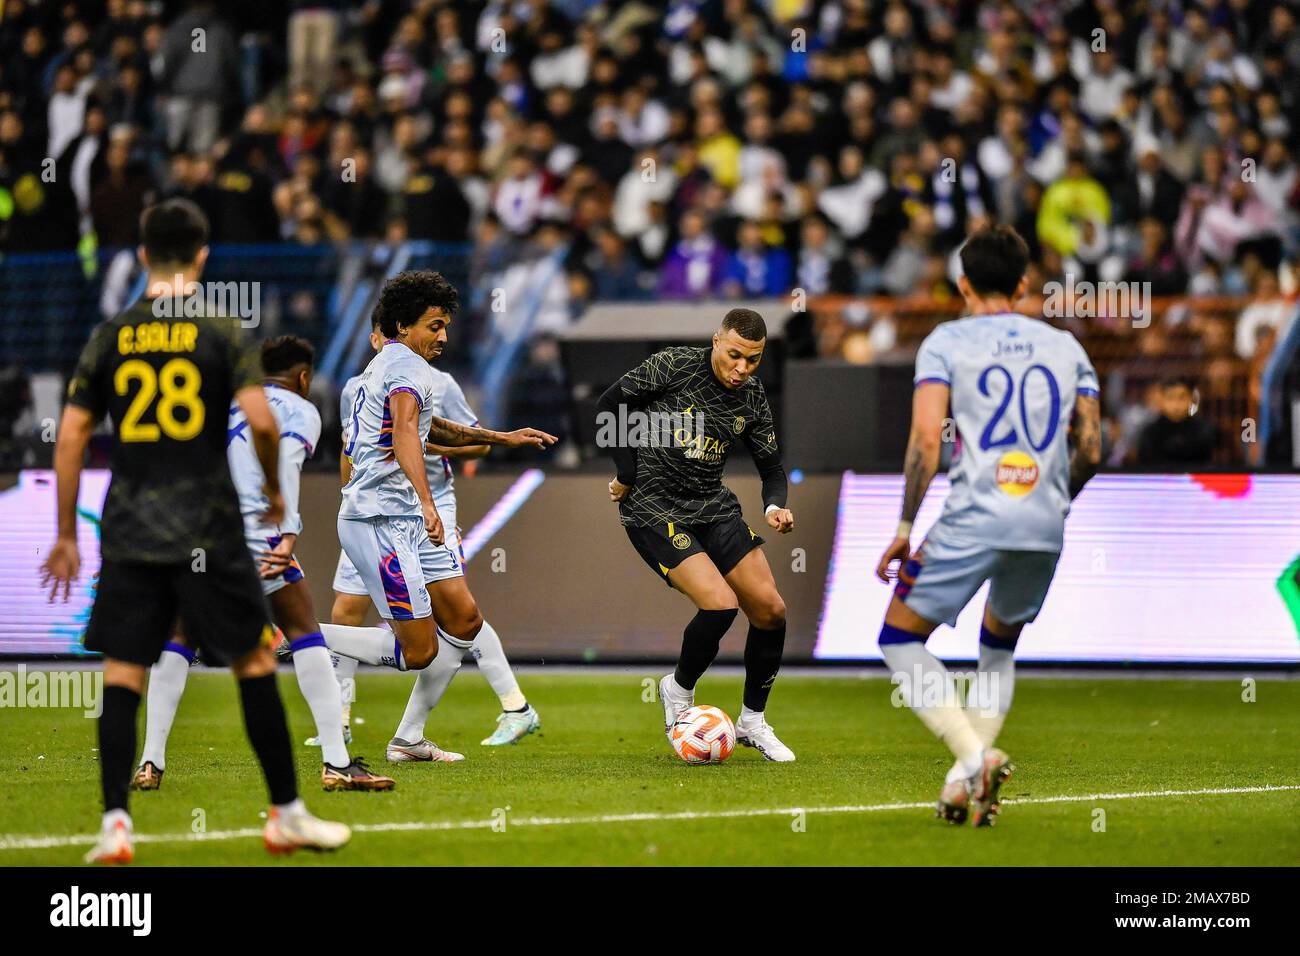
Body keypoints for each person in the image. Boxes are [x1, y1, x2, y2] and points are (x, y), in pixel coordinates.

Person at [39, 198, 350, 863]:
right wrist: (270, 490)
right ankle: (286, 814)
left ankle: (115, 825)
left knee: (124, 671)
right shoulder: (221, 332)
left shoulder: (111, 335)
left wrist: (66, 532)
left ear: (143, 256)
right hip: (208, 526)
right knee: (256, 659)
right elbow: (264, 423)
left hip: (130, 528)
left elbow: (69, 439)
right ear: (202, 255)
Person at [874, 224, 1101, 827]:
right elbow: (1094, 447)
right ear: (1025, 284)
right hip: (1045, 522)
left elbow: (927, 439)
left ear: (963, 283)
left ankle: (973, 758)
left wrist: (903, 524)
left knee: (898, 640)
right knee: (997, 649)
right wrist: (1058, 500)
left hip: (973, 515)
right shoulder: (1068, 348)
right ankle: (962, 781)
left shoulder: (946, 342)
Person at [131, 336, 395, 792]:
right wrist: (289, 529)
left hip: (201, 537)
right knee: (306, 636)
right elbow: (286, 465)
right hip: (259, 538)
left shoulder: (227, 404)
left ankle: (150, 763)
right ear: (304, 377)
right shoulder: (299, 410)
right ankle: (337, 763)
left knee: (180, 637)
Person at [316, 272, 555, 762]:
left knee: (464, 619)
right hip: (384, 518)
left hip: (400, 516)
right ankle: (290, 633)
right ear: (403, 325)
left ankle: (408, 739)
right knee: (417, 651)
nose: (443, 336)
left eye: (445, 325)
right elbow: (406, 431)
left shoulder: (393, 364)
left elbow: (424, 426)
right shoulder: (409, 369)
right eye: (434, 325)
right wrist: (427, 501)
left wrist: (497, 437)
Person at [595, 308, 797, 761]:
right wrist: (626, 475)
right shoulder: (674, 366)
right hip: (652, 506)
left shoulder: (752, 397)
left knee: (771, 610)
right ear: (715, 341)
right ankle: (679, 690)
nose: (742, 369)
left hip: (711, 504)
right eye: (734, 356)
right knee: (721, 605)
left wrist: (774, 505)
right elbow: (611, 405)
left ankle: (752, 722)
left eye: (754, 360)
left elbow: (771, 468)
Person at [1136, 376, 1217, 466]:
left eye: (1182, 398)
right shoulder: (1150, 433)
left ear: (1191, 399)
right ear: (1161, 400)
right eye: (1170, 398)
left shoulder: (1204, 430)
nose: (1176, 404)